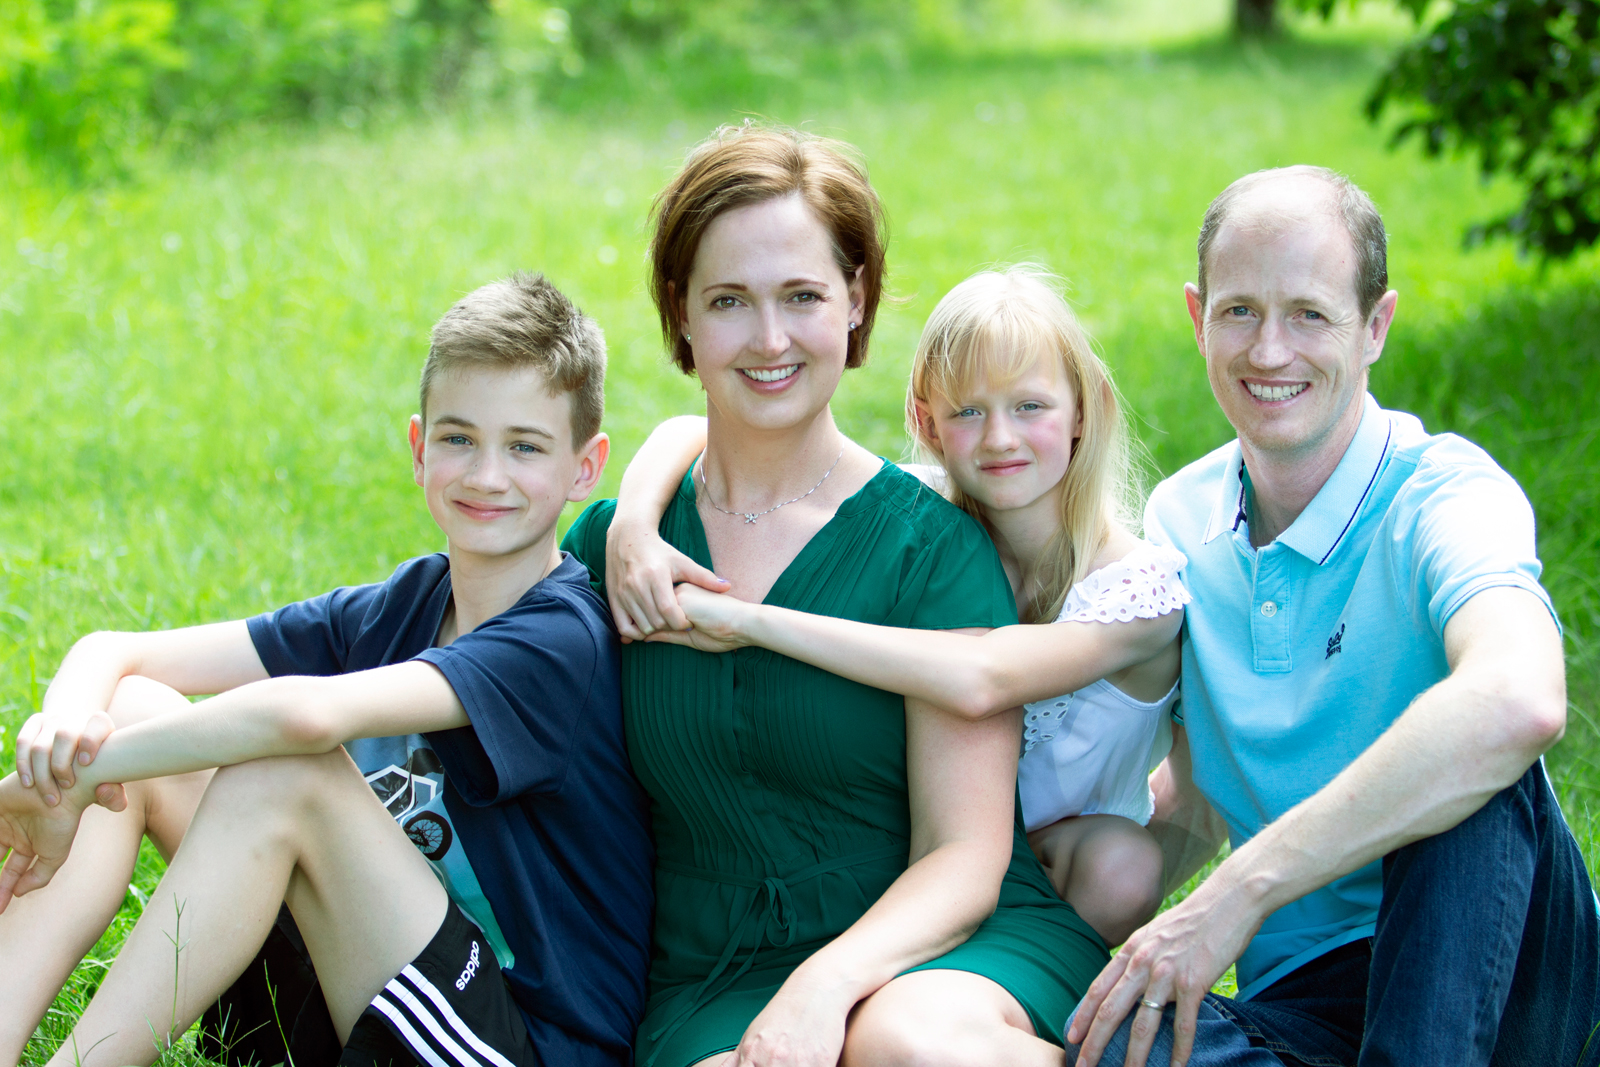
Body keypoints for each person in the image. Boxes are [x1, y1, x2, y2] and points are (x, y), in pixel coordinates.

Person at [0, 273, 654, 1067]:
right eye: (458, 438)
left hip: (518, 1042)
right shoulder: (406, 603)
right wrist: (57, 751)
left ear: (586, 469)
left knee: (282, 770)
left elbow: (301, 721)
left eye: (524, 446)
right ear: (418, 448)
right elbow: (115, 652)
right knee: (136, 709)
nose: (486, 474)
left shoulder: (561, 638)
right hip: (369, 996)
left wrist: (75, 774)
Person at [560, 124, 1107, 1067]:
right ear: (680, 311)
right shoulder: (621, 548)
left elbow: (964, 853)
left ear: (854, 302)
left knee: (903, 1047)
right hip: (715, 971)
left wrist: (827, 987)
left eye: (803, 297)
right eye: (729, 300)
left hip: (945, 947)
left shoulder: (926, 547)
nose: (770, 340)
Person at [1063, 166, 1600, 1067]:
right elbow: (1196, 798)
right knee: (1113, 1045)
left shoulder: (1445, 495)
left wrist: (1237, 891)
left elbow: (1522, 700)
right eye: (1239, 311)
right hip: (1303, 1001)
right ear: (1197, 317)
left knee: (1470, 755)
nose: (1269, 351)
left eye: (1310, 314)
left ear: (1376, 325)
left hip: (1509, 974)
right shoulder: (1181, 522)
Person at [610, 265, 1193, 948]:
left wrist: (753, 622)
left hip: (1055, 865)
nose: (1000, 437)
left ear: (1083, 411)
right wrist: (633, 523)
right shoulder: (924, 520)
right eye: (968, 411)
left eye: (1030, 406)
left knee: (1122, 863)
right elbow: (694, 427)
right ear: (927, 420)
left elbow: (983, 674)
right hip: (915, 846)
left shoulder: (1139, 594)